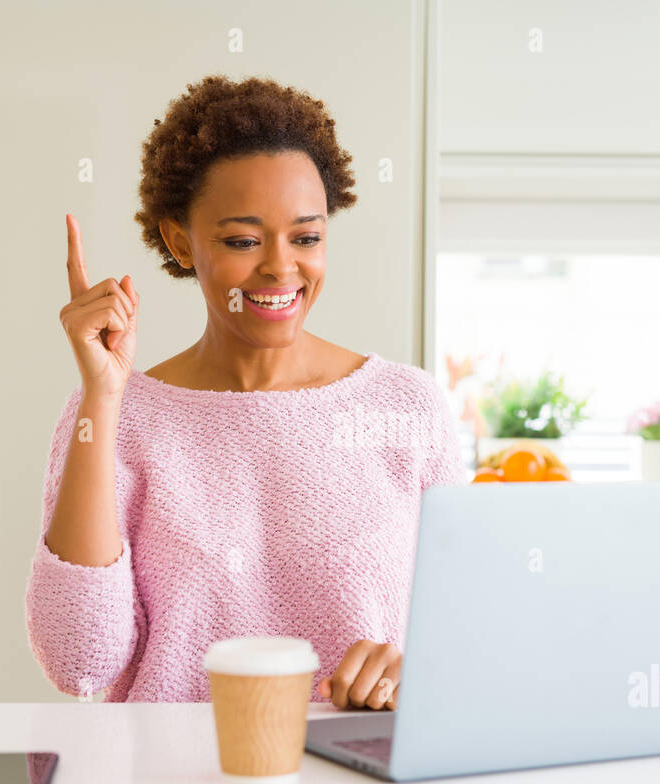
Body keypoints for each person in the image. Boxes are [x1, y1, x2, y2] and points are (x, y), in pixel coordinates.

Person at [25, 75, 464, 710]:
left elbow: (462, 638)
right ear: (180, 242)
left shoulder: (406, 407)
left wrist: (410, 669)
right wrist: (100, 397)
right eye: (242, 241)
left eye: (306, 238)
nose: (281, 268)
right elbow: (80, 663)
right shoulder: (115, 416)